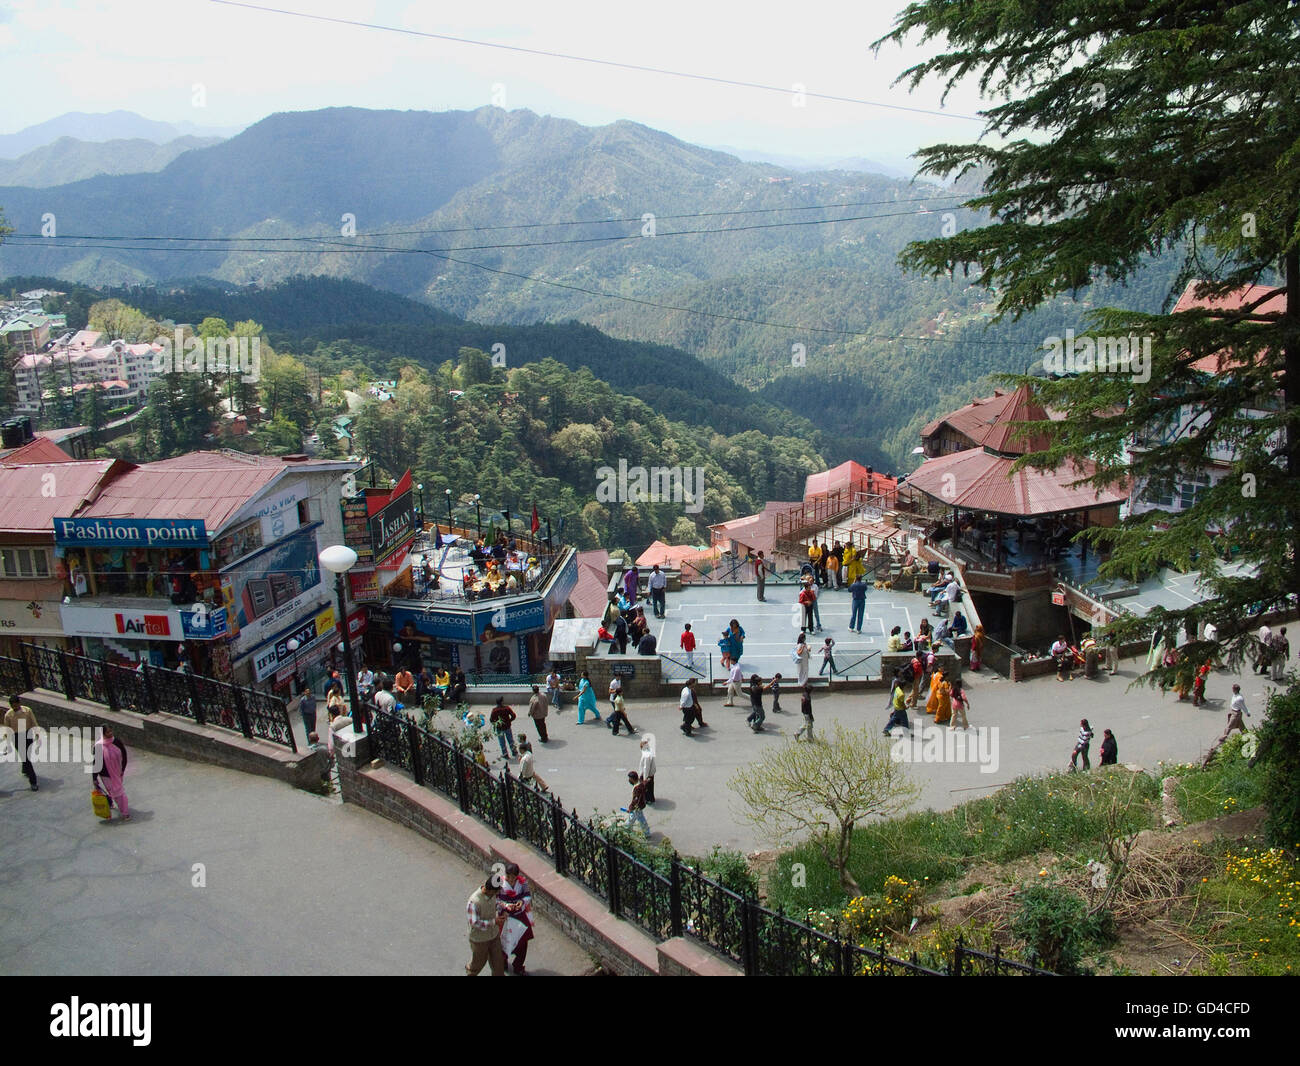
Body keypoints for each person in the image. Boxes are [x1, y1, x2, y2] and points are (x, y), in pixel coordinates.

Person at [495, 862, 534, 975]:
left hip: (519, 917)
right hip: (505, 917)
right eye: (508, 877)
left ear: (517, 876)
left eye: (513, 878)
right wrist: (506, 906)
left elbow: (527, 896)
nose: (511, 881)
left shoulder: (522, 883)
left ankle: (518, 966)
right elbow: (496, 900)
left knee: (522, 943)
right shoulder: (499, 884)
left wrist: (521, 902)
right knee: (503, 942)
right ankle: (503, 962)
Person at [465, 875, 506, 977]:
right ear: (490, 890)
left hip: (494, 936)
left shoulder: (492, 895)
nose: (498, 894)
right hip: (479, 940)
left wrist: (504, 909)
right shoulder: (474, 902)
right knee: (478, 964)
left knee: (498, 964)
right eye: (497, 891)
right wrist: (493, 922)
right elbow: (474, 923)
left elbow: (497, 904)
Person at [92, 724, 130, 820]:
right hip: (106, 775)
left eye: (110, 731)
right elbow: (96, 763)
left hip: (117, 773)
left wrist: (122, 769)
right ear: (103, 734)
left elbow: (124, 755)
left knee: (115, 791)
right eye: (108, 732)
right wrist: (94, 778)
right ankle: (125, 812)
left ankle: (112, 803)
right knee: (119, 794)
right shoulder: (98, 747)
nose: (110, 733)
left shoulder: (116, 742)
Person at [4, 695, 39, 791]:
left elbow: (34, 722)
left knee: (28, 756)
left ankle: (25, 768)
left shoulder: (27, 711)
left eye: (17, 705)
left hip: (28, 735)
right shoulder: (8, 715)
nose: (15, 707)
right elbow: (8, 730)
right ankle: (33, 782)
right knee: (26, 758)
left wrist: (37, 732)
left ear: (19, 703)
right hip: (17, 737)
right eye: (13, 706)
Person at [625, 770, 651, 838]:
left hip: (637, 807)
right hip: (640, 805)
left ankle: (626, 830)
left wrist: (630, 808)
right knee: (640, 818)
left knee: (632, 819)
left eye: (630, 779)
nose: (629, 780)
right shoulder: (640, 783)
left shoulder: (637, 788)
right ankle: (647, 832)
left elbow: (635, 800)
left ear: (633, 779)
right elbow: (645, 783)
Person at [638, 734, 657, 803]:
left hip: (647, 774)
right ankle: (651, 798)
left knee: (647, 787)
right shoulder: (649, 751)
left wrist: (645, 779)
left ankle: (648, 799)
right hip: (651, 773)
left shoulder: (646, 756)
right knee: (651, 786)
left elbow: (646, 768)